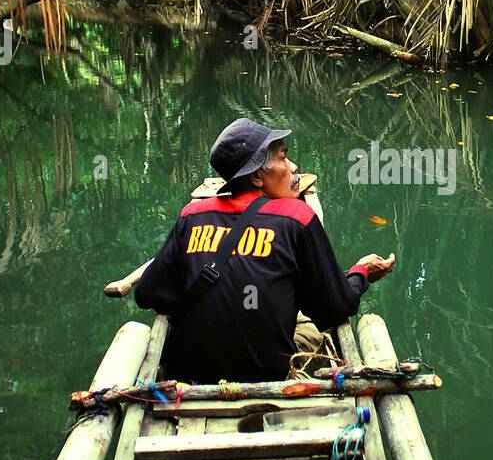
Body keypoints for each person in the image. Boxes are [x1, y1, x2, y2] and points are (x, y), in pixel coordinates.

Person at [135, 117, 395, 383]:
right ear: (258, 177)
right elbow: (337, 307)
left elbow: (148, 295)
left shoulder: (192, 215)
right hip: (267, 378)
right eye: (283, 158)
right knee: (312, 328)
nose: (294, 167)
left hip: (189, 377)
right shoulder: (297, 217)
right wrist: (360, 273)